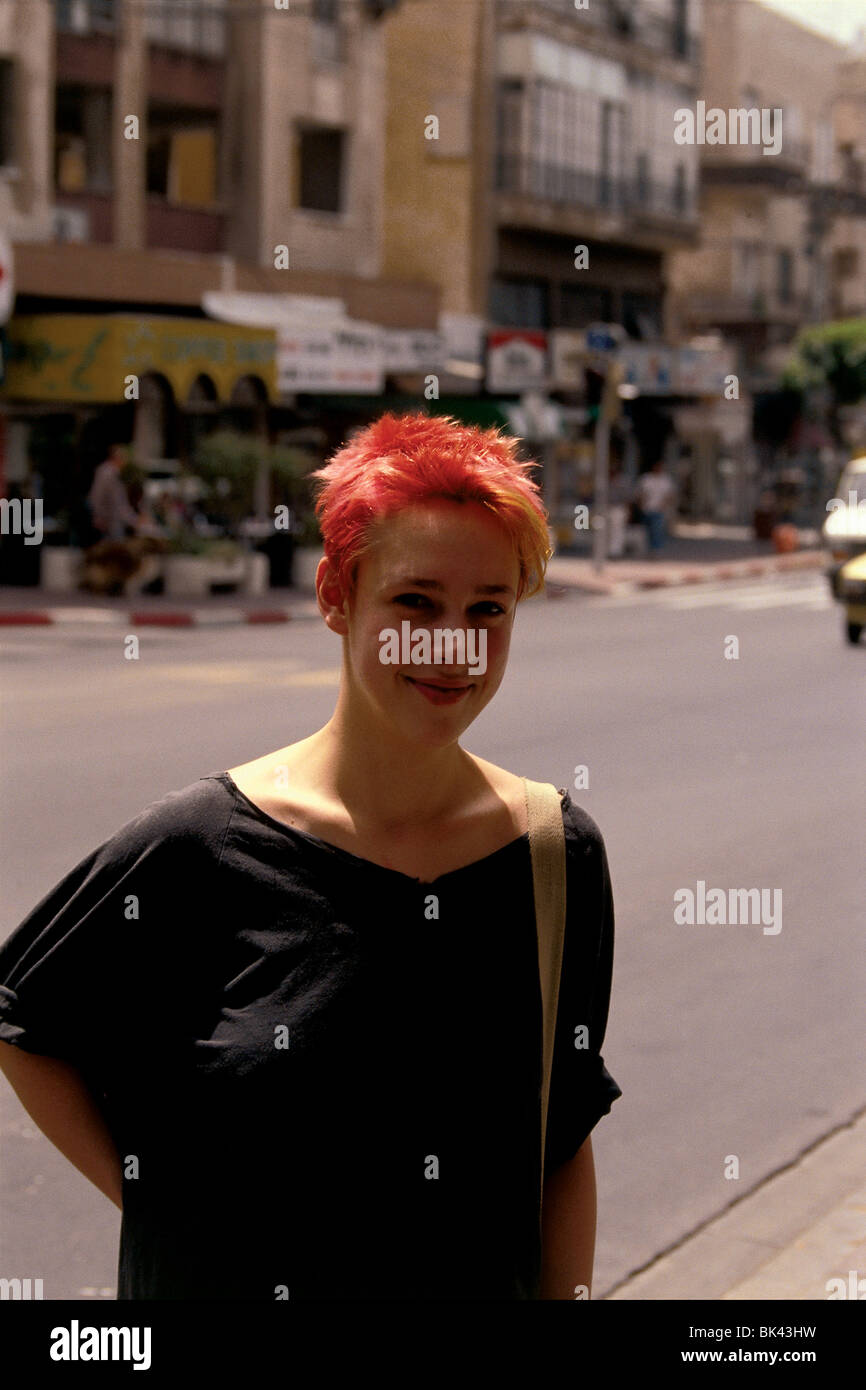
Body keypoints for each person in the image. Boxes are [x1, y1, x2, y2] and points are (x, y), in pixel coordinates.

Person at [0, 411, 621, 1302]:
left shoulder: (554, 856)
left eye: (488, 610)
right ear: (337, 593)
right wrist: (165, 1208)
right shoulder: (200, 844)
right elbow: (27, 1021)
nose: (454, 647)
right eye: (415, 603)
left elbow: (560, 1140)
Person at [86, 443, 138, 543]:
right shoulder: (108, 473)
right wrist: (98, 516)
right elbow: (98, 496)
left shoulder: (109, 472)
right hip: (108, 519)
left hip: (110, 518)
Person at [636, 459, 677, 555]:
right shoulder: (646, 478)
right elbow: (641, 493)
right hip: (647, 508)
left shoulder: (666, 480)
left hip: (659, 509)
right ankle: (646, 548)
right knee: (646, 530)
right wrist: (642, 505)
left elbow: (670, 495)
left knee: (657, 529)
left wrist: (664, 506)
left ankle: (656, 548)